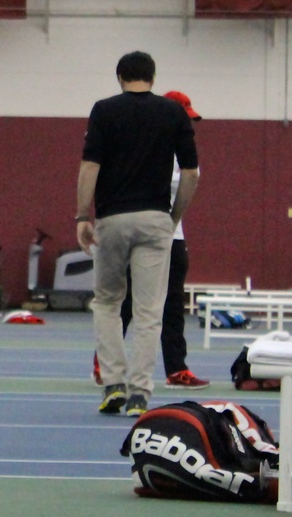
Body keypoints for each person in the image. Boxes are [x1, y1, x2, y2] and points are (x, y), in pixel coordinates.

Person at [75, 52, 200, 418]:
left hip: (113, 218)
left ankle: (113, 382)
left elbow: (89, 166)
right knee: (149, 312)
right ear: (153, 77)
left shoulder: (104, 110)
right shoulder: (173, 113)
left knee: (108, 303)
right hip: (156, 220)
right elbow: (190, 174)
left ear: (119, 77)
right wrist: (173, 217)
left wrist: (84, 215)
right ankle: (139, 395)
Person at [93, 90, 207, 390]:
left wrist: (173, 224)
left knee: (172, 303)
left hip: (171, 233)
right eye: (185, 116)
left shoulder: (184, 150)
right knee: (129, 301)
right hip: (143, 230)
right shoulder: (146, 146)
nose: (190, 125)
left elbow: (189, 181)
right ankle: (105, 361)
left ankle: (176, 368)